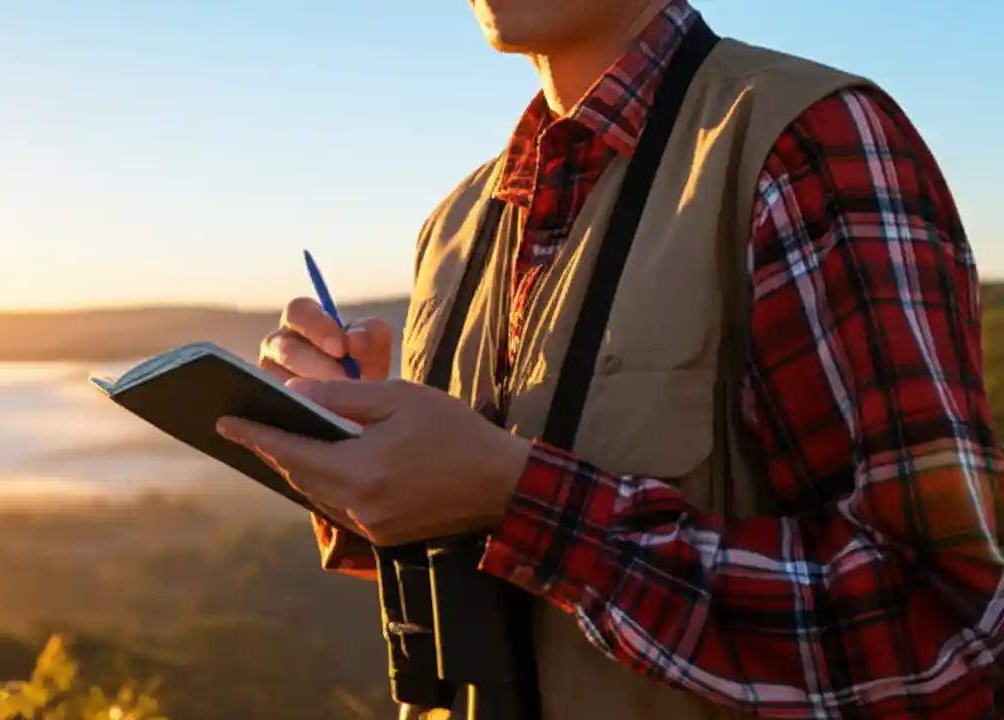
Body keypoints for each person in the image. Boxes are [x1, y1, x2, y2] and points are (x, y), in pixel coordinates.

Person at [215, 0, 1004, 717]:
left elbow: (942, 638)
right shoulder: (455, 225)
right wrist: (359, 450)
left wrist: (520, 499)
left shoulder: (807, 141)